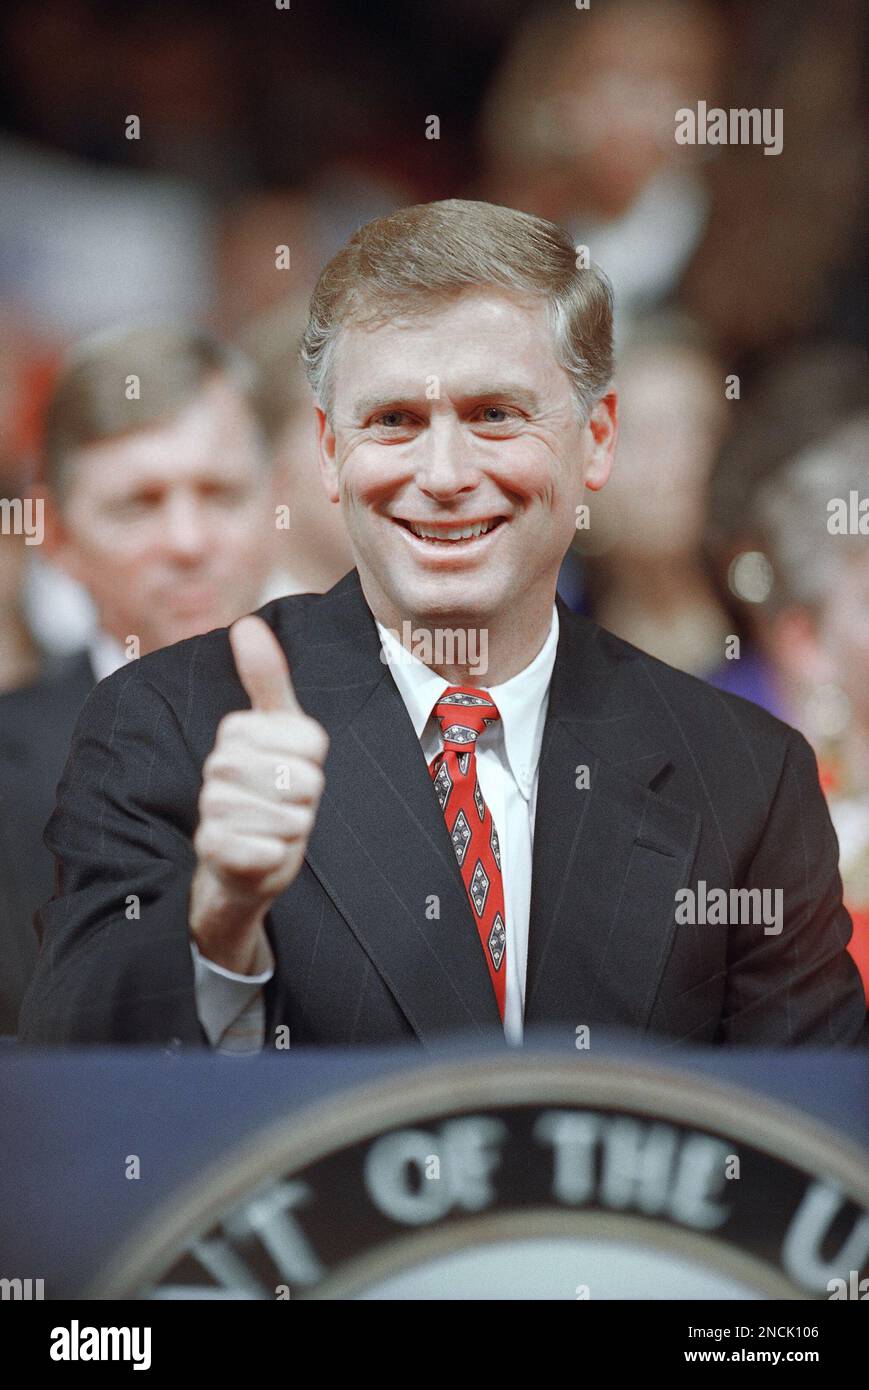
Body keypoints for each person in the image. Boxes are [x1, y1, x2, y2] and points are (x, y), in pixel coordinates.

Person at [18, 200, 865, 1049]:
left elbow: (809, 1142)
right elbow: (71, 1092)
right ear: (326, 452)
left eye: (495, 414)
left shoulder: (743, 777)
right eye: (395, 421)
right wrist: (217, 919)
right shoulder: (169, 725)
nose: (446, 474)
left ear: (596, 438)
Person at [0, 326, 278, 1034]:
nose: (188, 543)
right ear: (55, 536)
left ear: (275, 504)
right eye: (138, 504)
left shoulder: (398, 724)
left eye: (219, 494)